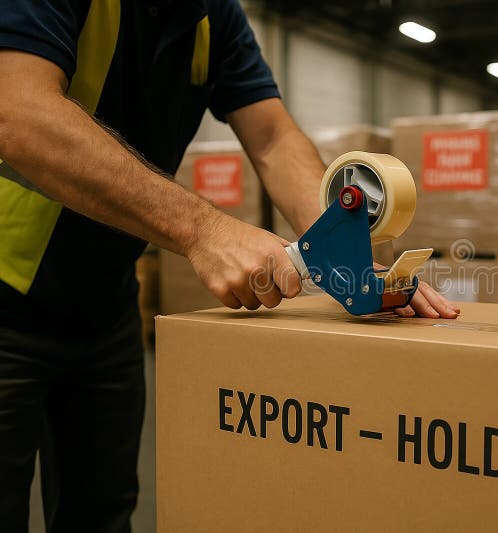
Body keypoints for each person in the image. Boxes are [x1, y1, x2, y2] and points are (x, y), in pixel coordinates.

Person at [0, 1, 460, 531]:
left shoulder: (212, 17)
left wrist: (342, 247)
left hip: (104, 305)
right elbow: (20, 112)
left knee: (102, 514)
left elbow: (272, 137)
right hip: (7, 294)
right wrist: (205, 230)